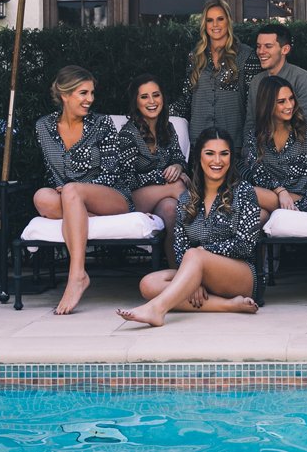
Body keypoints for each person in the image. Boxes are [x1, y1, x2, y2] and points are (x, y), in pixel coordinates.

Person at [116, 128, 261, 327]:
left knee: (194, 255)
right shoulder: (186, 198)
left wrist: (203, 253)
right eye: (210, 153)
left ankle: (157, 310)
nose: (217, 161)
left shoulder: (244, 191)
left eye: (224, 154)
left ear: (231, 158)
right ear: (198, 158)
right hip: (199, 270)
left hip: (240, 275)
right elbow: (180, 248)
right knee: (148, 284)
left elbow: (245, 245)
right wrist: (194, 280)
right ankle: (228, 305)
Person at [33, 66, 132, 316]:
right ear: (65, 95)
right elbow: (50, 171)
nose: (90, 99)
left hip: (111, 195)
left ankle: (77, 274)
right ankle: (83, 217)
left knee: (71, 191)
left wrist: (73, 190)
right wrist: (65, 190)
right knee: (41, 197)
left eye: (91, 93)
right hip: (70, 195)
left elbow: (113, 170)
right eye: (83, 93)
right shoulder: (43, 127)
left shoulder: (102, 124)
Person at [170, 0, 260, 146]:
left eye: (220, 19)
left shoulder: (246, 56)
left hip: (233, 145)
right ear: (204, 24)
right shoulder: (195, 56)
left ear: (229, 21)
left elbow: (253, 107)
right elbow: (186, 100)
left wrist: (250, 144)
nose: (215, 25)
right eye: (210, 20)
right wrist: (157, 112)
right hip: (199, 143)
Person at [119, 74, 188, 265]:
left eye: (156, 95)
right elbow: (127, 179)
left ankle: (177, 271)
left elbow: (179, 159)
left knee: (171, 208)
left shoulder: (168, 128)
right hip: (132, 198)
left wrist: (177, 166)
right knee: (177, 188)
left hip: (161, 197)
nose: (152, 101)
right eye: (144, 97)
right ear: (136, 102)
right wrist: (164, 177)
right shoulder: (128, 134)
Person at [241, 74, 307, 219]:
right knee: (259, 215)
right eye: (281, 101)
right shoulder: (256, 136)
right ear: (267, 105)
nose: (289, 105)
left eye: (291, 98)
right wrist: (281, 191)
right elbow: (258, 174)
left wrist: (299, 206)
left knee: (249, 193)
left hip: (305, 204)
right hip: (272, 200)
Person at [247, 22, 307, 130]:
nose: (261, 51)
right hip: (260, 146)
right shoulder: (256, 81)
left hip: (297, 146)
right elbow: (250, 124)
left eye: (268, 46)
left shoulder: (303, 79)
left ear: (285, 49)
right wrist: (250, 146)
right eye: (258, 46)